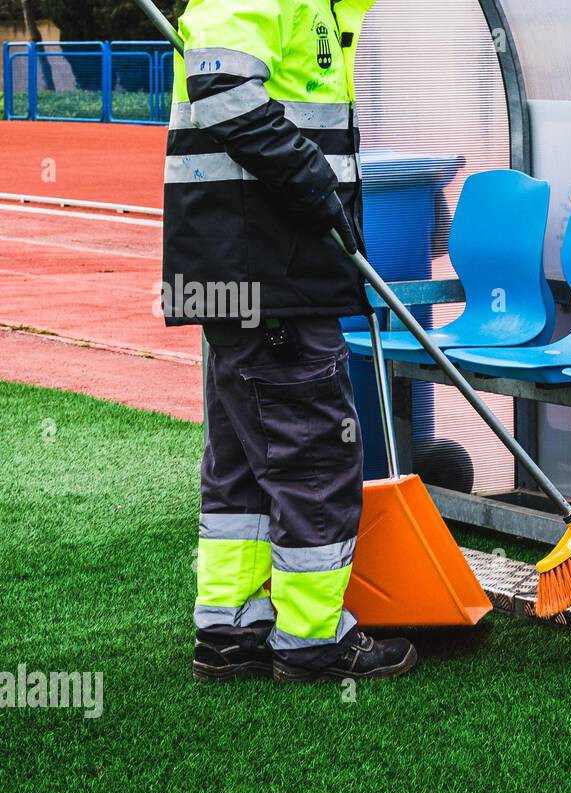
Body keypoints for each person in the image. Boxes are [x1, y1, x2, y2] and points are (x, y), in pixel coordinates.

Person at [162, 0, 415, 682]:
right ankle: (312, 639)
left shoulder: (324, 9)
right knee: (312, 452)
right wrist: (311, 182)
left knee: (245, 456)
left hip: (256, 264)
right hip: (265, 264)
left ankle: (231, 628)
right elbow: (221, 87)